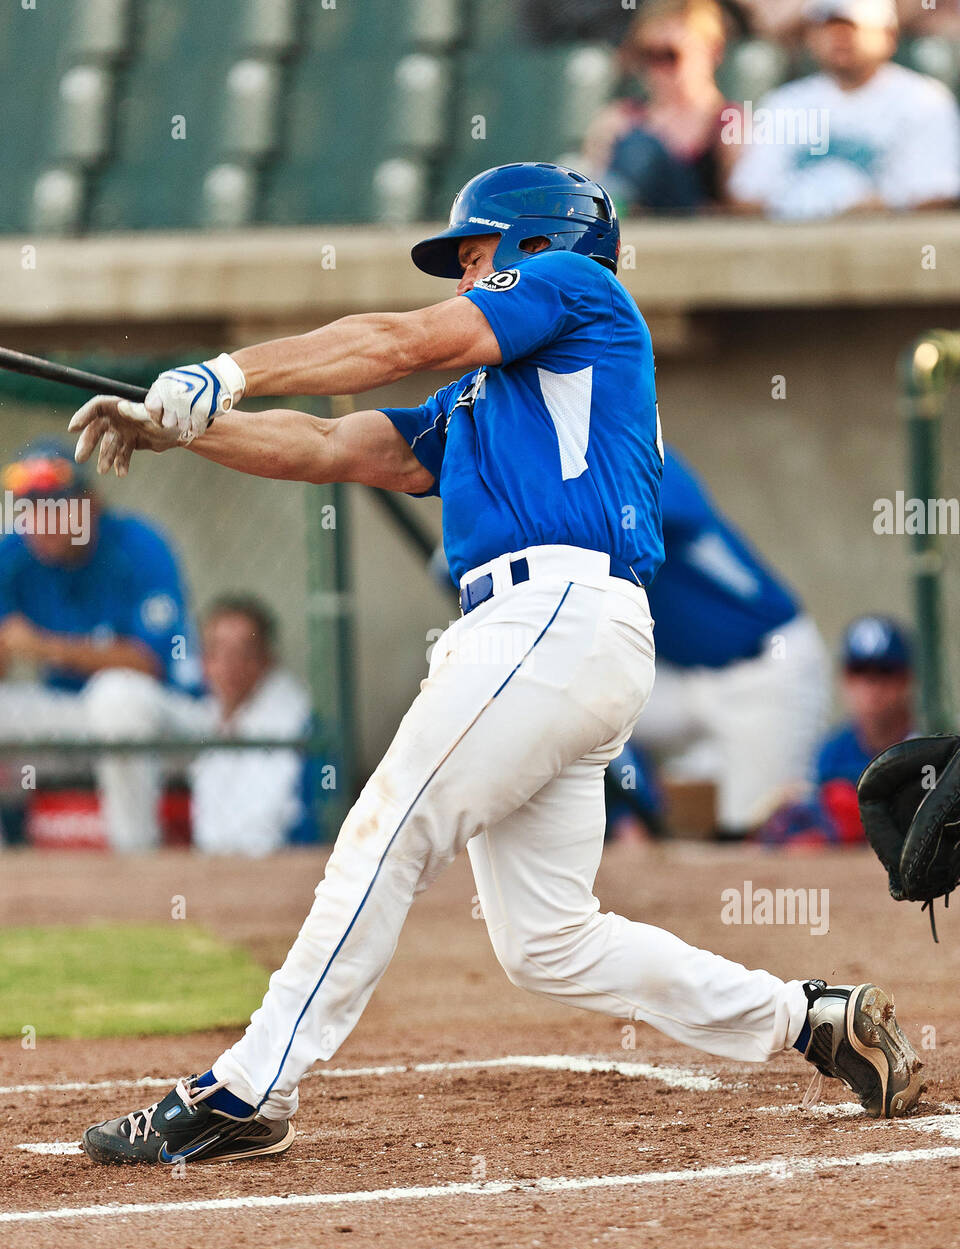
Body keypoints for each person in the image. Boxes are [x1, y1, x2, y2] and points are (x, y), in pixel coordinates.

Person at [70, 161, 923, 1167]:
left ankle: (252, 1086)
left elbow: (393, 338)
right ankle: (811, 1018)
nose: (468, 271)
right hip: (551, 639)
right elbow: (334, 443)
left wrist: (228, 368)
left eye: (478, 252)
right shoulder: (493, 395)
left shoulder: (580, 290)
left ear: (537, 243)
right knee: (549, 943)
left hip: (553, 617)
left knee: (388, 830)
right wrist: (190, 423)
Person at [610, 445, 829, 838]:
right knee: (578, 705)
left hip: (765, 674)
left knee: (757, 834)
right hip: (683, 680)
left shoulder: (639, 449)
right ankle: (631, 827)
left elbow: (652, 515)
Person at [0, 438, 199, 851]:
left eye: (56, 505)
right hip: (70, 722)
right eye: (31, 507)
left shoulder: (139, 545)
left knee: (116, 696)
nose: (42, 520)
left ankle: (134, 861)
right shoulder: (14, 554)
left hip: (166, 725)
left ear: (90, 503)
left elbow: (148, 666)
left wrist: (43, 646)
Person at [727, 0, 960, 219]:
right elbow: (747, 195)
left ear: (888, 35)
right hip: (795, 247)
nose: (839, 38)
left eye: (852, 28)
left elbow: (936, 196)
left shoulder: (924, 100)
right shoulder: (784, 102)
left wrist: (875, 208)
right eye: (827, 28)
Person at [760, 615, 916, 846]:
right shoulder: (831, 753)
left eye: (884, 672)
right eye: (859, 672)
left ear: (905, 679)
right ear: (844, 679)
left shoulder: (930, 746)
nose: (870, 687)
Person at [583, 0, 741, 213]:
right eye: (649, 54)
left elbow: (742, 211)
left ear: (712, 51)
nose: (658, 68)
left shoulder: (730, 123)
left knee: (640, 150)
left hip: (698, 235)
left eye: (670, 55)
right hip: (634, 233)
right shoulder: (618, 119)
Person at [190, 596, 315, 856]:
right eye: (218, 652)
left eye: (243, 653)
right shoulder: (207, 710)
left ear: (267, 658)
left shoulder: (289, 718)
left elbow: (260, 833)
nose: (229, 666)